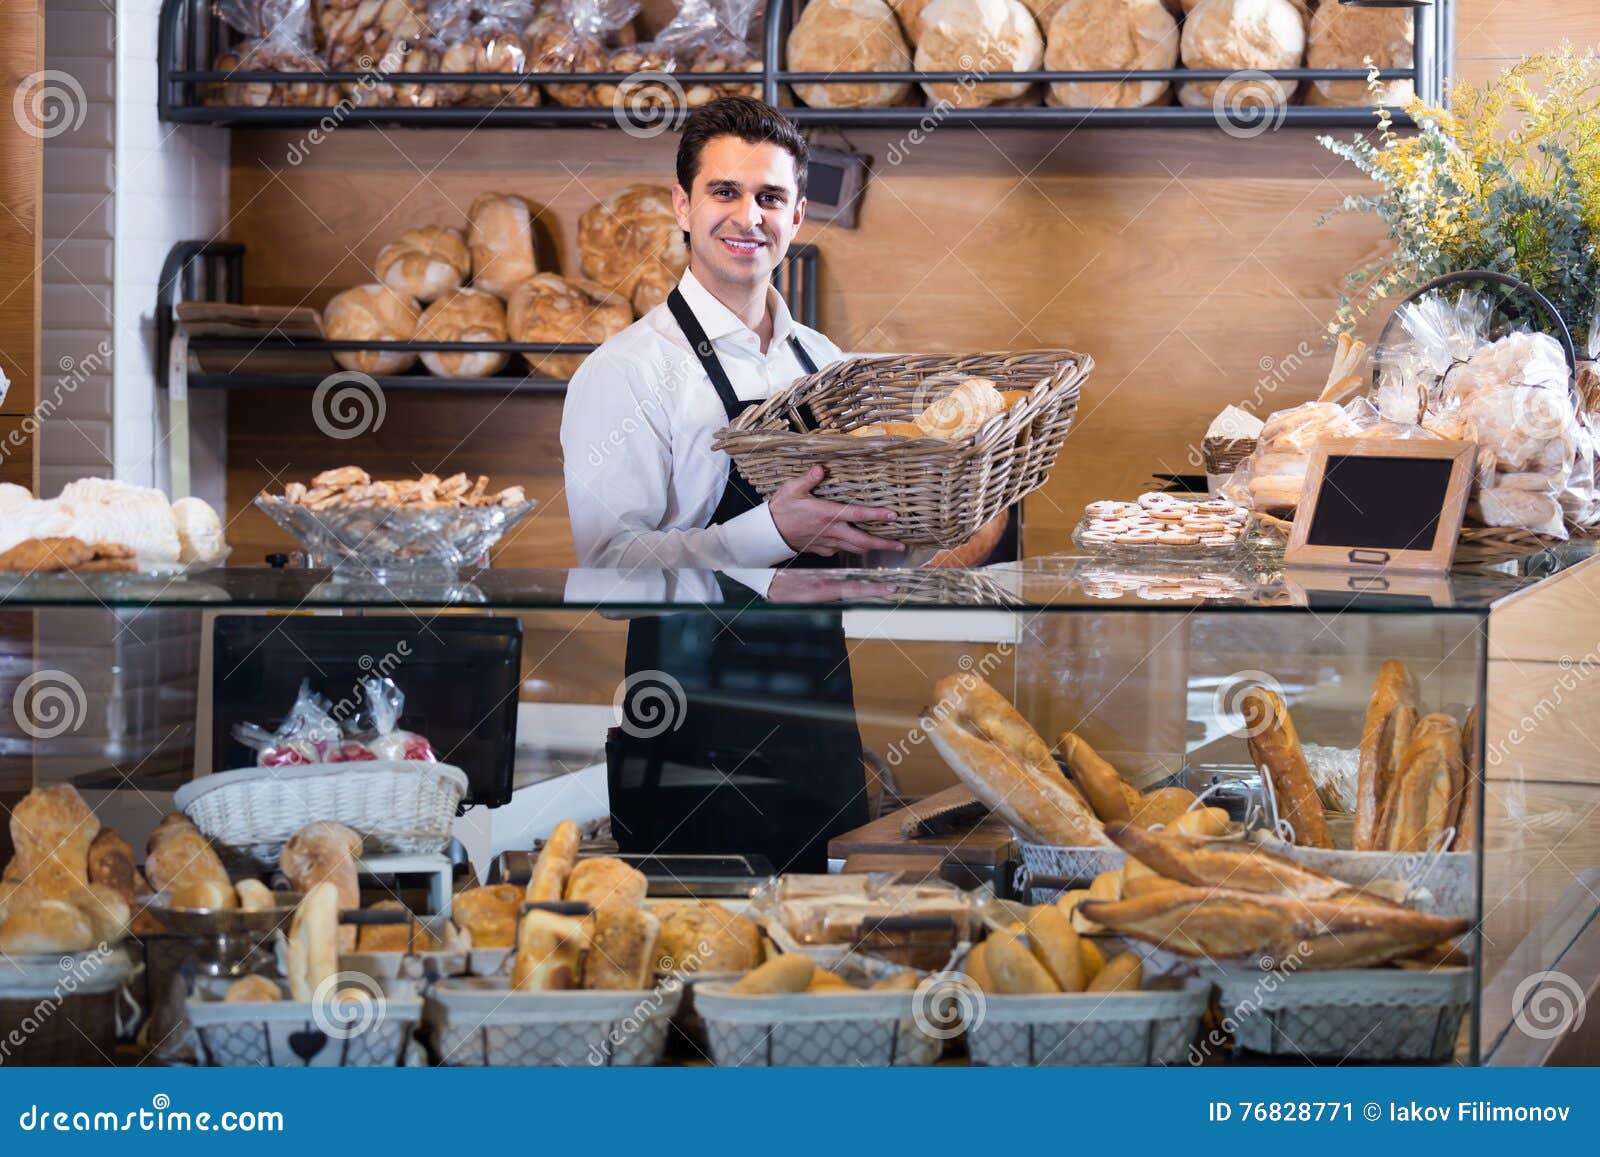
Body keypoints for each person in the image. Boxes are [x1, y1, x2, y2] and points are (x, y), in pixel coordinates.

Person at [560, 97, 897, 872]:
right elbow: (609, 573)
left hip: (819, 730)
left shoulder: (827, 364)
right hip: (689, 736)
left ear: (798, 214)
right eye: (725, 192)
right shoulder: (626, 372)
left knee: (821, 961)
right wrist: (767, 541)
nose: (749, 216)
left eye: (770, 197)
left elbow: (844, 533)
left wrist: (895, 537)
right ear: (682, 204)